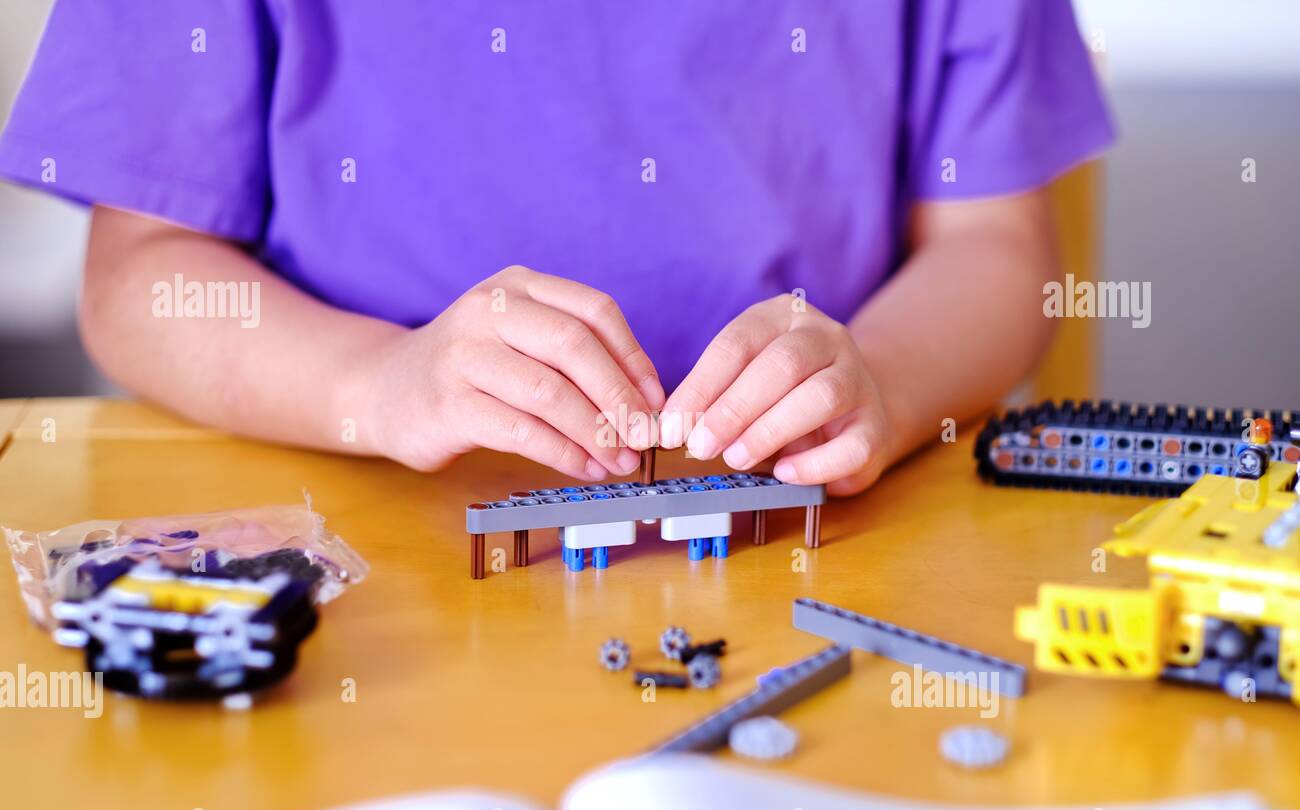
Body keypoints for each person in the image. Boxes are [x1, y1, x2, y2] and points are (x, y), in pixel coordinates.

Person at [0, 1, 1113, 495]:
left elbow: (997, 248)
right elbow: (141, 278)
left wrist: (887, 378)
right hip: (347, 551)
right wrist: (376, 383)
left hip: (823, 536)